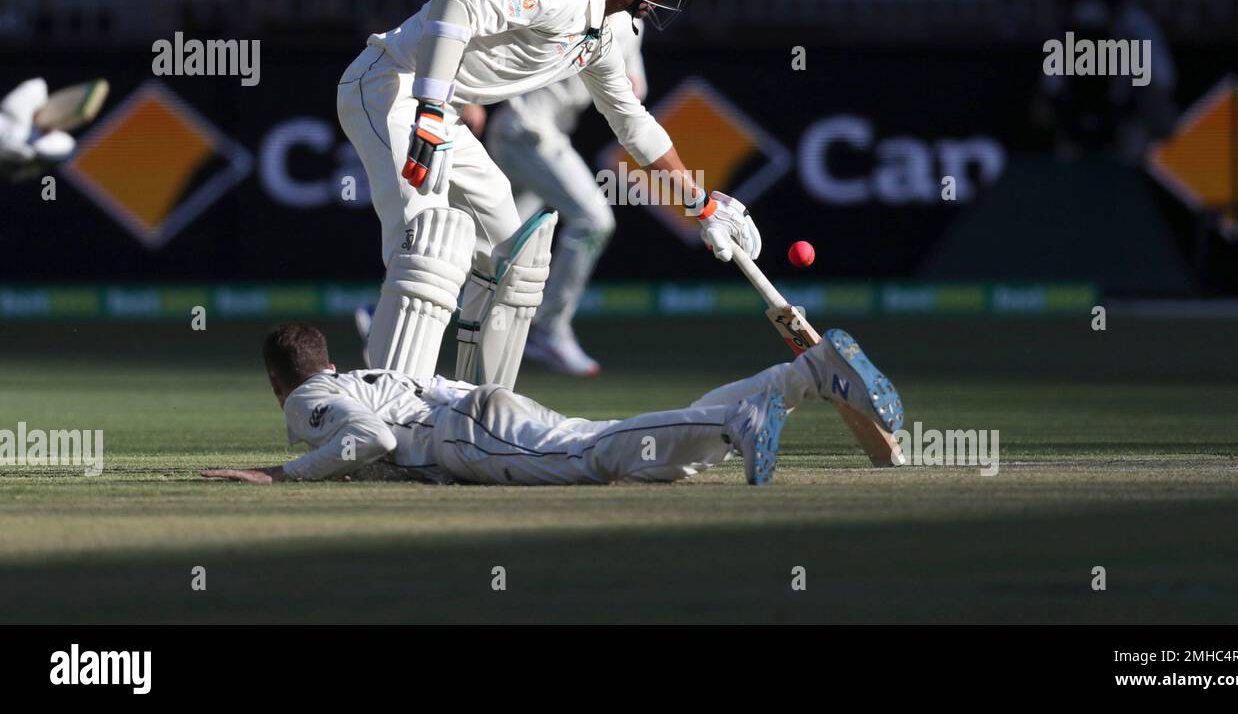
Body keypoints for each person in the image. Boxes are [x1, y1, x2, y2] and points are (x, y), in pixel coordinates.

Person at [337, 0, 762, 398]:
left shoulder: (603, 33)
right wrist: (430, 108)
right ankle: (389, 409)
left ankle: (474, 411)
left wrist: (701, 203)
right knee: (426, 242)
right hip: (389, 87)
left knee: (510, 257)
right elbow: (453, 6)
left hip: (438, 107)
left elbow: (633, 124)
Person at [200, 322, 894, 486]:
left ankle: (735, 421)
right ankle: (802, 376)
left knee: (600, 456)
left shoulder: (309, 400)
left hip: (468, 434)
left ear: (277, 382)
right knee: (631, 446)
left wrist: (279, 474)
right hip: (476, 412)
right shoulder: (363, 373)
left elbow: (372, 442)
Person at [483, 0, 647, 376]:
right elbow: (496, 32)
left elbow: (634, 88)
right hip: (526, 131)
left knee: (498, 246)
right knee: (594, 220)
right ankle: (548, 329)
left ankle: (389, 299)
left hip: (541, 133)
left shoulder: (633, 19)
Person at [0, 76, 79, 182]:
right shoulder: (18, 115)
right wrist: (38, 111)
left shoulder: (18, 140)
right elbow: (37, 84)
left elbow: (36, 85)